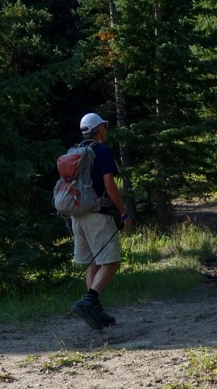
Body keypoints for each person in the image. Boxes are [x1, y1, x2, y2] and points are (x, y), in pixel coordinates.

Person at [69, 112, 132, 331]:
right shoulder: (102, 151)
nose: (106, 130)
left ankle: (95, 312)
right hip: (97, 214)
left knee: (94, 263)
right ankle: (90, 300)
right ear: (99, 130)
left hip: (77, 216)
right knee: (112, 262)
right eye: (104, 127)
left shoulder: (76, 152)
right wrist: (123, 212)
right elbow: (109, 185)